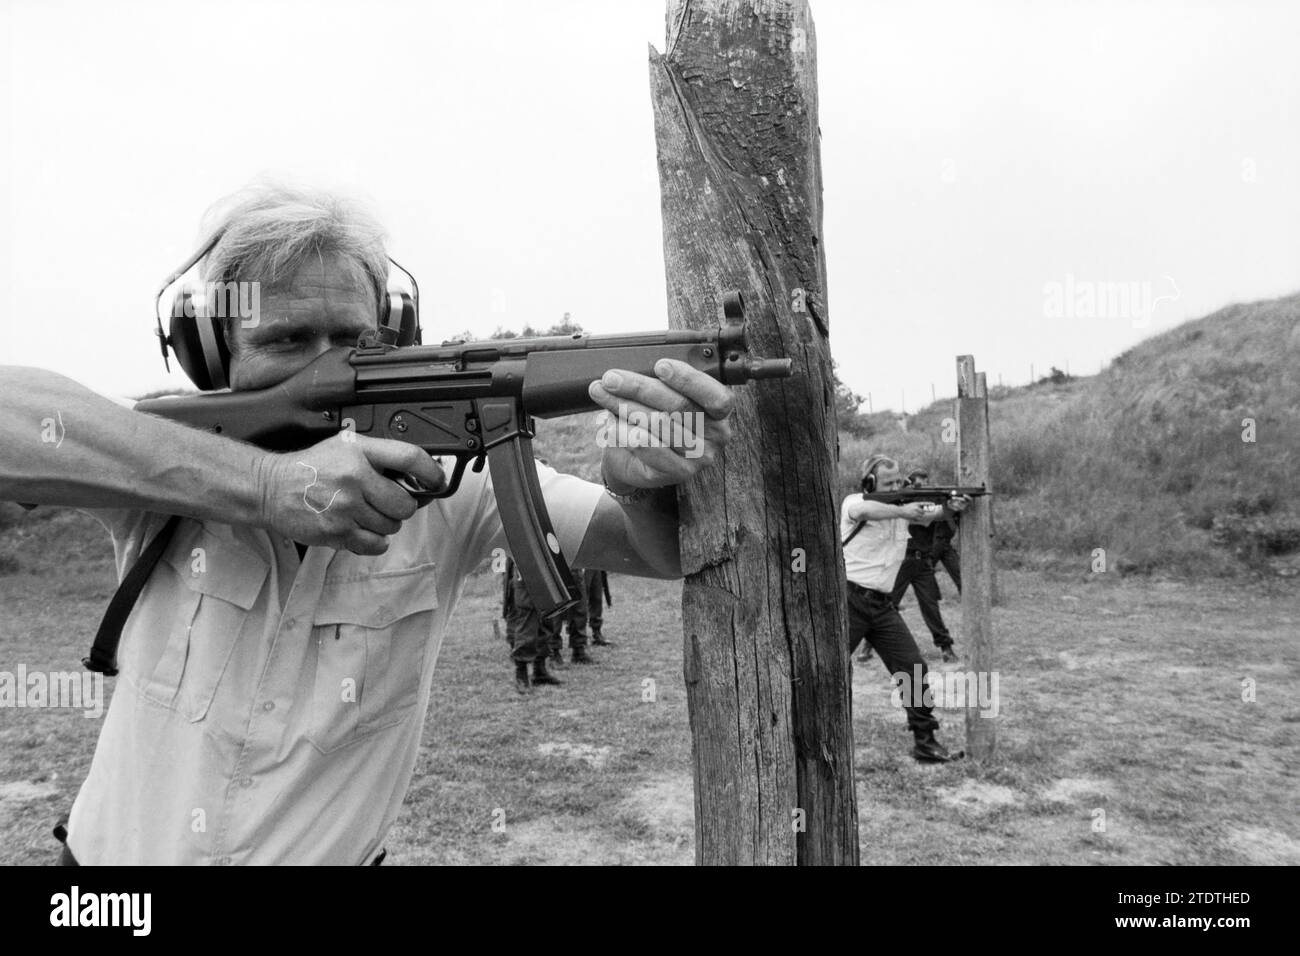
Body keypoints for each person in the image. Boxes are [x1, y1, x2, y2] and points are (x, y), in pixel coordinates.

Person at [1, 181, 736, 864]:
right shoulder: (160, 465)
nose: (328, 368)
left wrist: (640, 486)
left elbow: (654, 550)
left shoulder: (454, 479)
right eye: (287, 340)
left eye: (352, 337)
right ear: (213, 353)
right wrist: (266, 486)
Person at [842, 455, 970, 762]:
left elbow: (932, 514)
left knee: (913, 670)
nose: (897, 487)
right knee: (826, 671)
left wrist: (952, 507)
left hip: (882, 605)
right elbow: (867, 509)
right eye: (889, 483)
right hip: (848, 600)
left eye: (899, 482)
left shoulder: (903, 510)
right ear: (870, 484)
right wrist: (902, 509)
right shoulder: (855, 502)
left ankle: (924, 742)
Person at [889, 469, 960, 663]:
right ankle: (870, 646)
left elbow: (936, 515)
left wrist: (951, 505)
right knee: (887, 604)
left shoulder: (923, 506)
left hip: (922, 563)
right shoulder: (898, 507)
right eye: (917, 486)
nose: (922, 490)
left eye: (924, 486)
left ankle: (946, 647)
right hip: (902, 561)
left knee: (930, 606)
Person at [502, 554, 563, 692]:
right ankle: (521, 672)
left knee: (547, 615)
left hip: (546, 561)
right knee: (527, 617)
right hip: (525, 558)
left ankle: (540, 670)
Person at [562, 567, 611, 661]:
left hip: (592, 557)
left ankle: (593, 634)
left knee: (595, 593)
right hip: (574, 562)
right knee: (579, 601)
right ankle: (554, 649)